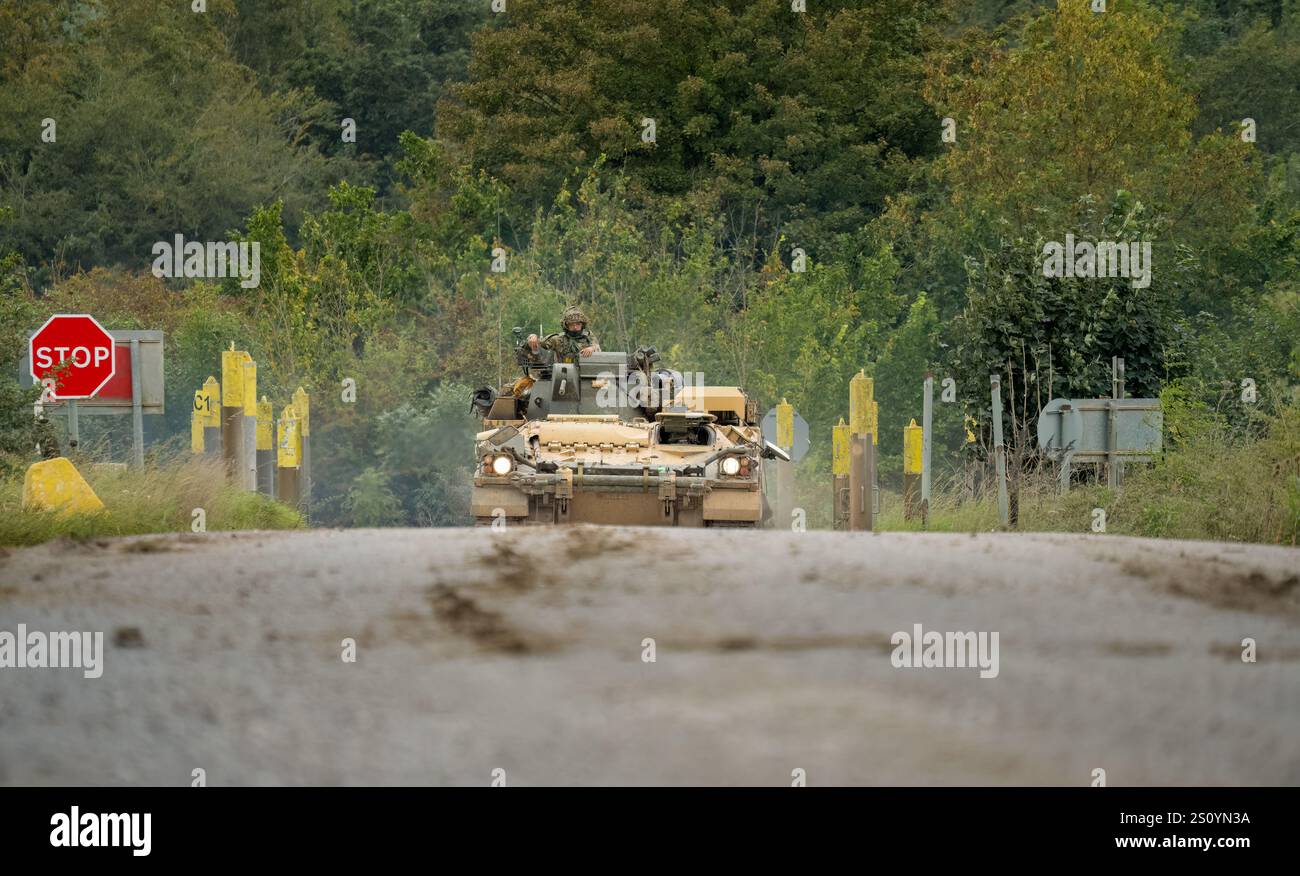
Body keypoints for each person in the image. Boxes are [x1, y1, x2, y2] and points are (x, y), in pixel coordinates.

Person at [526, 306, 600, 365]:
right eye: (572, 324)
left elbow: (597, 347)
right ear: (566, 325)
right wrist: (532, 337)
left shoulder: (588, 336)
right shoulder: (558, 339)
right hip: (563, 374)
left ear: (582, 324)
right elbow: (538, 343)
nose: (575, 327)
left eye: (578, 324)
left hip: (585, 375)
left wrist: (592, 348)